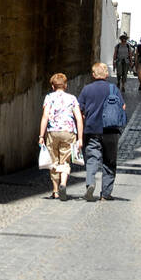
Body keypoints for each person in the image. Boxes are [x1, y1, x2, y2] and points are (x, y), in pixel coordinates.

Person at [78, 61, 125, 201]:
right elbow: (122, 106)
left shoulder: (86, 89)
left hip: (92, 129)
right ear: (106, 74)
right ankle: (106, 193)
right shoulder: (113, 89)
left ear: (93, 75)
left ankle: (90, 183)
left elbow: (80, 109)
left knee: (92, 159)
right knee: (109, 161)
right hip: (111, 130)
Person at [38, 72, 84, 201]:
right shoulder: (72, 98)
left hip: (53, 131)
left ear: (53, 86)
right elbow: (79, 118)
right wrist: (80, 138)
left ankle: (56, 190)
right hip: (68, 131)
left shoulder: (49, 98)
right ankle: (63, 183)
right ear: (66, 85)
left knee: (53, 161)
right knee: (65, 160)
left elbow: (45, 116)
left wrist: (41, 135)